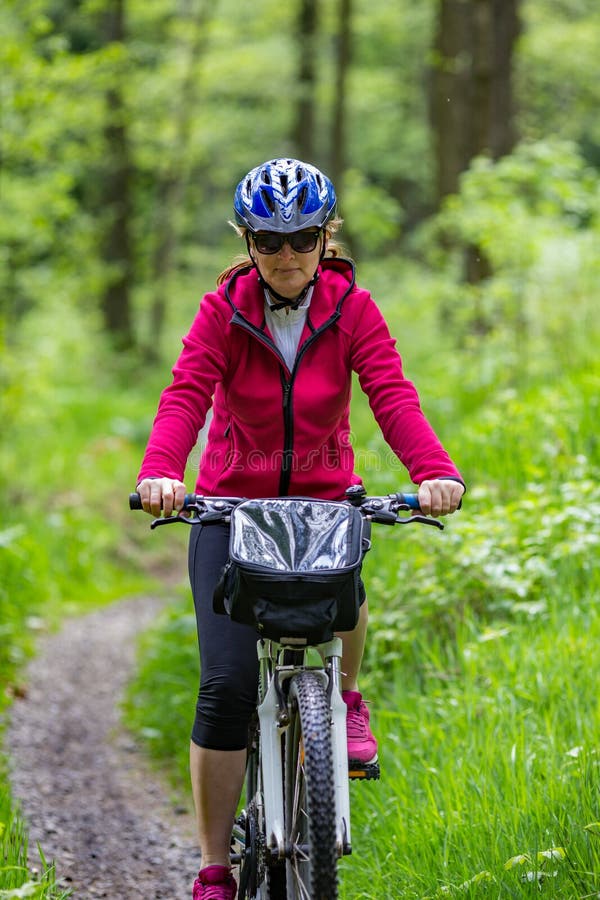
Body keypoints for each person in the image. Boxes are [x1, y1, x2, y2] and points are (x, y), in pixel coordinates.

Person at [136, 157, 465, 900]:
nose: (287, 257)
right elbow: (185, 394)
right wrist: (163, 472)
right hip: (228, 507)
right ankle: (216, 867)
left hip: (322, 504)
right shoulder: (221, 309)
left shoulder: (354, 309)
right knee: (223, 687)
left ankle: (343, 703)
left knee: (346, 561)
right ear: (246, 240)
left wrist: (433, 472)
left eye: (304, 239)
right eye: (269, 241)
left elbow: (392, 393)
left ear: (327, 236)